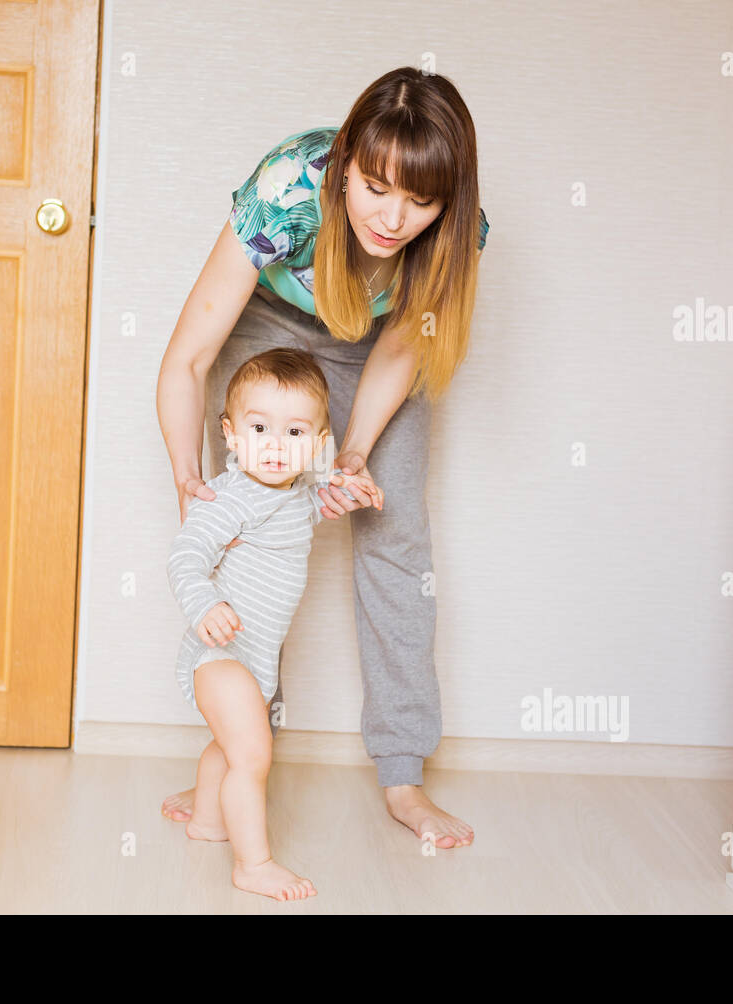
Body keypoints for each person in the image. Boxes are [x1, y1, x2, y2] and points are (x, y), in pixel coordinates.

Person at [156, 65, 486, 851]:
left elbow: (405, 342)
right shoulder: (288, 189)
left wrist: (357, 453)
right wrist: (191, 488)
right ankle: (239, 757)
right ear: (345, 164)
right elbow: (188, 357)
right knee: (252, 528)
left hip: (376, 344)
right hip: (271, 327)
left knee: (395, 532)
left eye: (420, 200)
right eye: (375, 188)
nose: (394, 217)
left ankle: (403, 776)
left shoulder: (460, 232)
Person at [167, 347, 381, 900]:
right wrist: (204, 606)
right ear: (231, 433)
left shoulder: (294, 494)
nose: (274, 445)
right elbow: (185, 557)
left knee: (228, 746)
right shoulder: (227, 496)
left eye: (294, 432)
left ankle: (209, 821)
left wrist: (351, 492)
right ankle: (253, 864)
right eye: (259, 427)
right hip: (219, 653)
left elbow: (315, 506)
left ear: (316, 444)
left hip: (255, 656)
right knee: (253, 753)